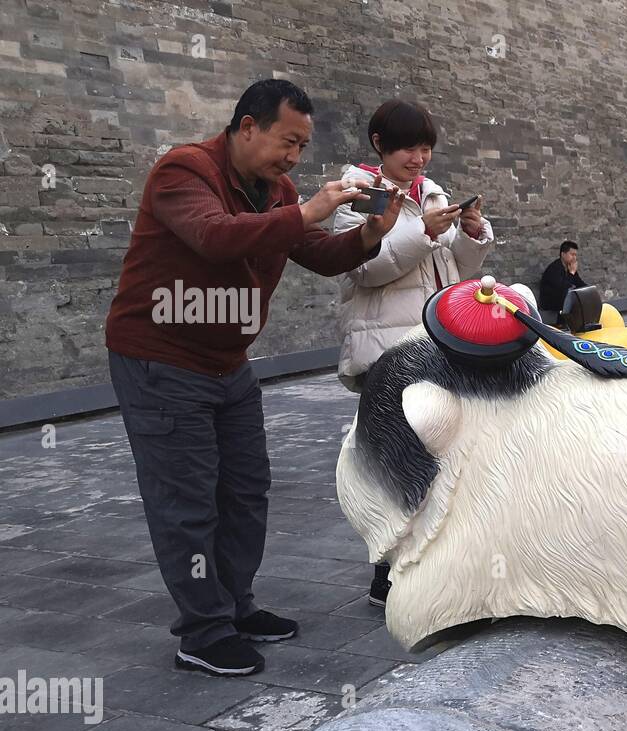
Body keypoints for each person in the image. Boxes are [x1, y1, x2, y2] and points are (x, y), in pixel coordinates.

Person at [104, 79, 401, 676]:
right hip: (160, 358)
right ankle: (203, 630)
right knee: (186, 502)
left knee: (244, 491)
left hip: (228, 362)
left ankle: (235, 606)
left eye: (301, 145)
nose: (292, 157)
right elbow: (215, 238)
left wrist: (370, 232)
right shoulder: (182, 172)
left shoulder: (277, 190)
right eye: (286, 141)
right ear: (247, 127)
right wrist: (307, 210)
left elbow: (317, 253)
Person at [333, 98, 495, 608]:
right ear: (379, 144)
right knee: (400, 460)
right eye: (409, 147)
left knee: (447, 457)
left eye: (426, 148)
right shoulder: (359, 194)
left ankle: (437, 563)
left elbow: (458, 268)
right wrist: (424, 231)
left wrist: (470, 235)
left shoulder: (433, 193)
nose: (419, 158)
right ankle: (387, 575)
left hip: (439, 341)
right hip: (387, 349)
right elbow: (364, 267)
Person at [539, 241, 587, 322]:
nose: (574, 258)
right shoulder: (554, 269)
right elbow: (562, 287)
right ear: (563, 254)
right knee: (570, 294)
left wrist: (588, 289)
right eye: (572, 254)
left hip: (563, 299)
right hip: (552, 301)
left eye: (575, 255)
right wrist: (572, 273)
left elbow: (578, 282)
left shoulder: (569, 267)